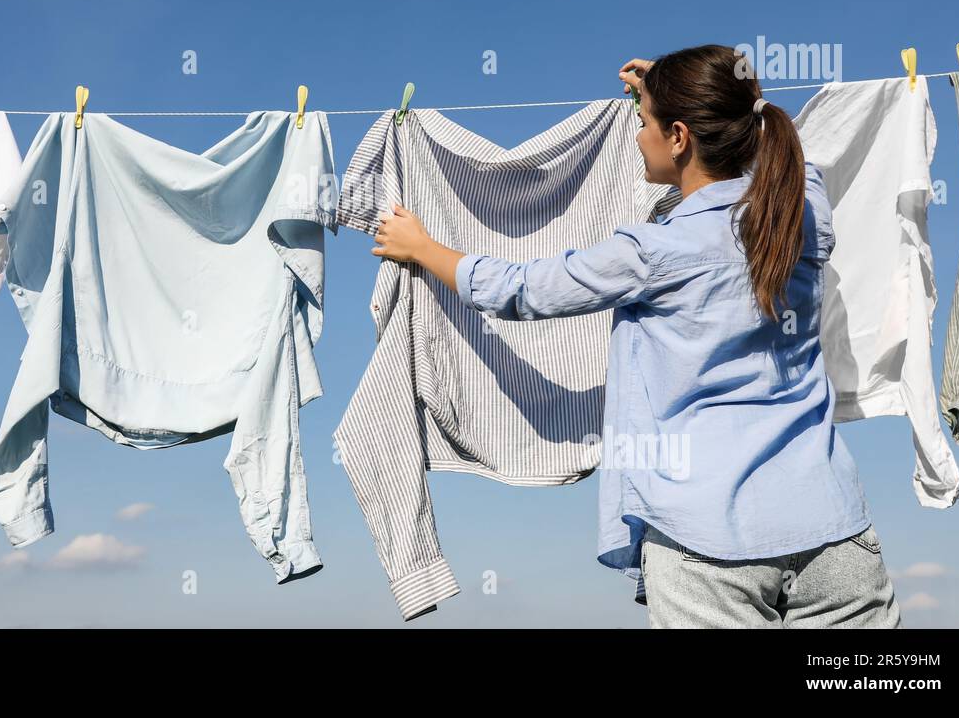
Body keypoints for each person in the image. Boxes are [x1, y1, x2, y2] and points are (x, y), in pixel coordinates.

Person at [370, 44, 901, 628]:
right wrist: (699, 91)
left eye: (644, 122)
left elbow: (522, 289)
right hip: (834, 530)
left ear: (679, 136)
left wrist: (421, 248)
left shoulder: (655, 250)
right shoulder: (804, 214)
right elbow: (762, 131)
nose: (636, 135)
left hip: (706, 543)